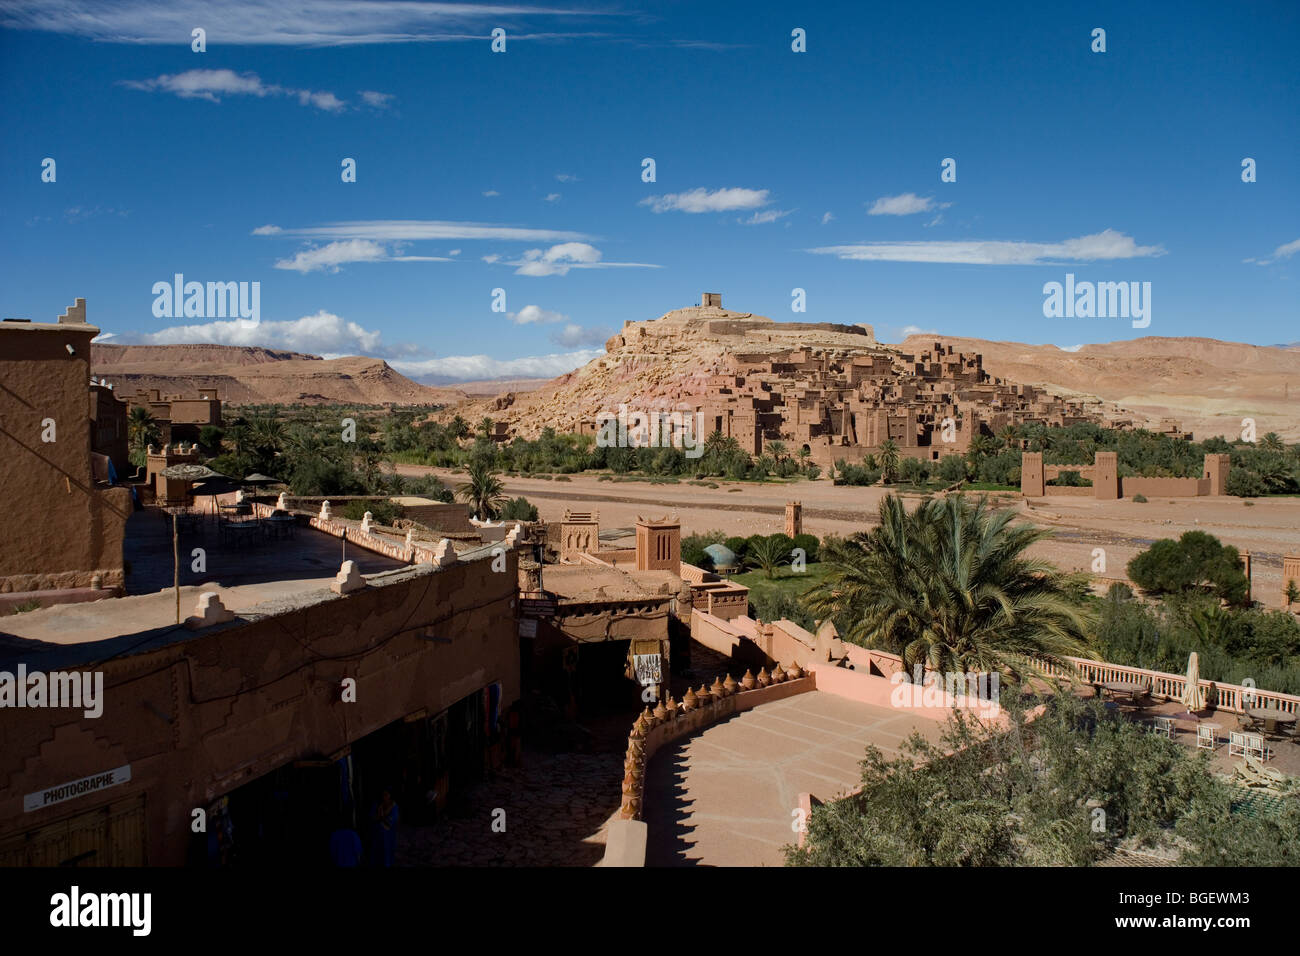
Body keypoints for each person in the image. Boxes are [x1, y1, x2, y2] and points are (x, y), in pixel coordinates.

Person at [368, 789, 399, 867]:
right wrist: (380, 817)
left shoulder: (394, 806)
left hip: (388, 836)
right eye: (383, 794)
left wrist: (381, 817)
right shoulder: (377, 804)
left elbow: (392, 821)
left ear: (390, 795)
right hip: (376, 834)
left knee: (387, 853)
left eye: (387, 794)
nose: (384, 797)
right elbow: (372, 818)